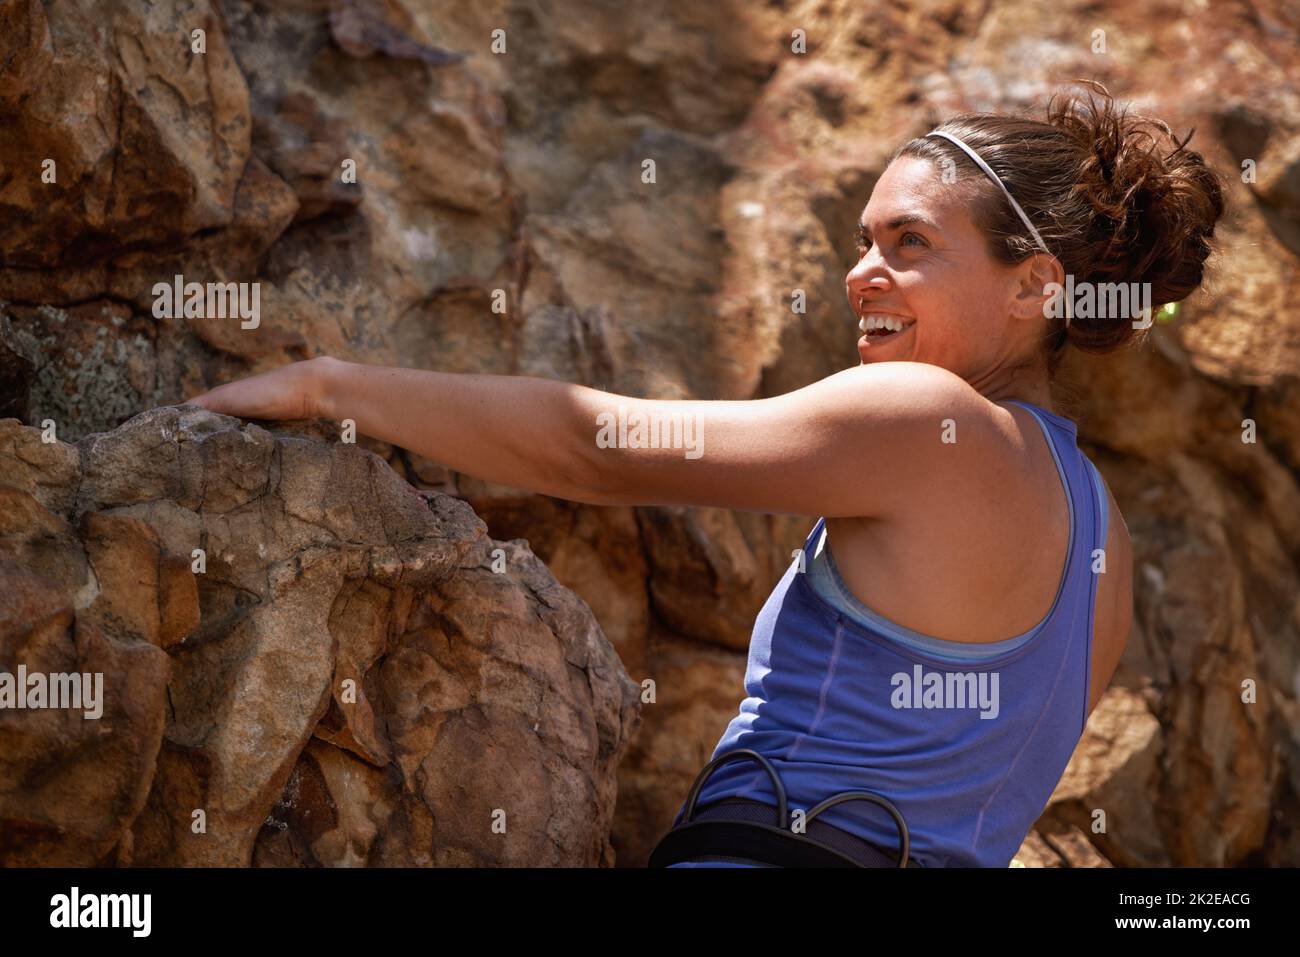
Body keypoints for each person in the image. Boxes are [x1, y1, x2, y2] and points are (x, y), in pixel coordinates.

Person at [187, 80, 1225, 867]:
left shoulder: (928, 419)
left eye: (909, 243)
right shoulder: (1103, 540)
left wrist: (333, 388)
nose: (860, 271)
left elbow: (601, 450)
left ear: (1035, 286)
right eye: (862, 240)